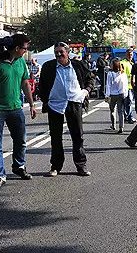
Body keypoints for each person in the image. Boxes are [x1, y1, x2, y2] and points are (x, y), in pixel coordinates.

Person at [0, 33, 36, 192]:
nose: (26, 51)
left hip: (15, 108)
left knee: (21, 140)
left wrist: (31, 105)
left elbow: (25, 84)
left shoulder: (21, 63)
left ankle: (19, 166)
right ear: (17, 48)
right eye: (25, 48)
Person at [39, 42, 95, 177]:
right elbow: (42, 86)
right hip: (55, 105)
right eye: (56, 52)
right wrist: (46, 100)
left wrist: (86, 91)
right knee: (55, 137)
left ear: (68, 52)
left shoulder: (78, 65)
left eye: (61, 52)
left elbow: (91, 78)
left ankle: (81, 166)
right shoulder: (48, 67)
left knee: (77, 136)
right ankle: (56, 166)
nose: (58, 54)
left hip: (74, 103)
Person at [106, 58, 128, 133]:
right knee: (120, 111)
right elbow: (125, 85)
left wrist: (107, 95)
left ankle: (113, 125)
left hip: (112, 94)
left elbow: (108, 85)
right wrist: (125, 93)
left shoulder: (110, 74)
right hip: (121, 94)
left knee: (112, 110)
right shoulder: (123, 74)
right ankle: (121, 127)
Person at [120, 49, 135, 124]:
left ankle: (127, 116)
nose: (130, 56)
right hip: (125, 86)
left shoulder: (131, 63)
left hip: (131, 86)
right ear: (126, 55)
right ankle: (129, 117)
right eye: (129, 54)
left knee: (128, 102)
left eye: (131, 54)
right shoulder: (122, 63)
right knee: (128, 101)